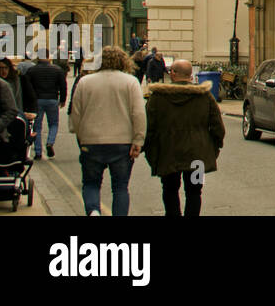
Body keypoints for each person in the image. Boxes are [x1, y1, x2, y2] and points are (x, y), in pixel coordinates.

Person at [68, 45, 146, 216]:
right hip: (122, 143)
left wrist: (78, 133)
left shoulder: (85, 82)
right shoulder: (130, 82)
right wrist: (138, 140)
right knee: (120, 187)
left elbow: (76, 113)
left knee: (91, 183)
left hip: (91, 141)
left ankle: (94, 211)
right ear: (124, 61)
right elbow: (139, 113)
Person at [144, 59, 224, 218]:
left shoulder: (158, 98)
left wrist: (150, 151)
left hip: (168, 152)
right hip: (197, 154)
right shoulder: (205, 96)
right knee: (195, 191)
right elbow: (217, 127)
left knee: (169, 189)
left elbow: (149, 128)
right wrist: (214, 148)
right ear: (190, 75)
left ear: (173, 74)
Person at [28, 50, 67, 159]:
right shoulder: (57, 70)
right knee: (53, 124)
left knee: (37, 127)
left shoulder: (32, 70)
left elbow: (27, 86)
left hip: (37, 100)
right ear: (49, 57)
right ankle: (50, 142)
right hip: (52, 99)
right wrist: (63, 99)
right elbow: (63, 85)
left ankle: (38, 152)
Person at [0, 57, 37, 122]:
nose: (3, 71)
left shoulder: (20, 79)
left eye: (6, 68)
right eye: (0, 68)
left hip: (18, 115)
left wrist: (31, 111)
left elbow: (30, 96)